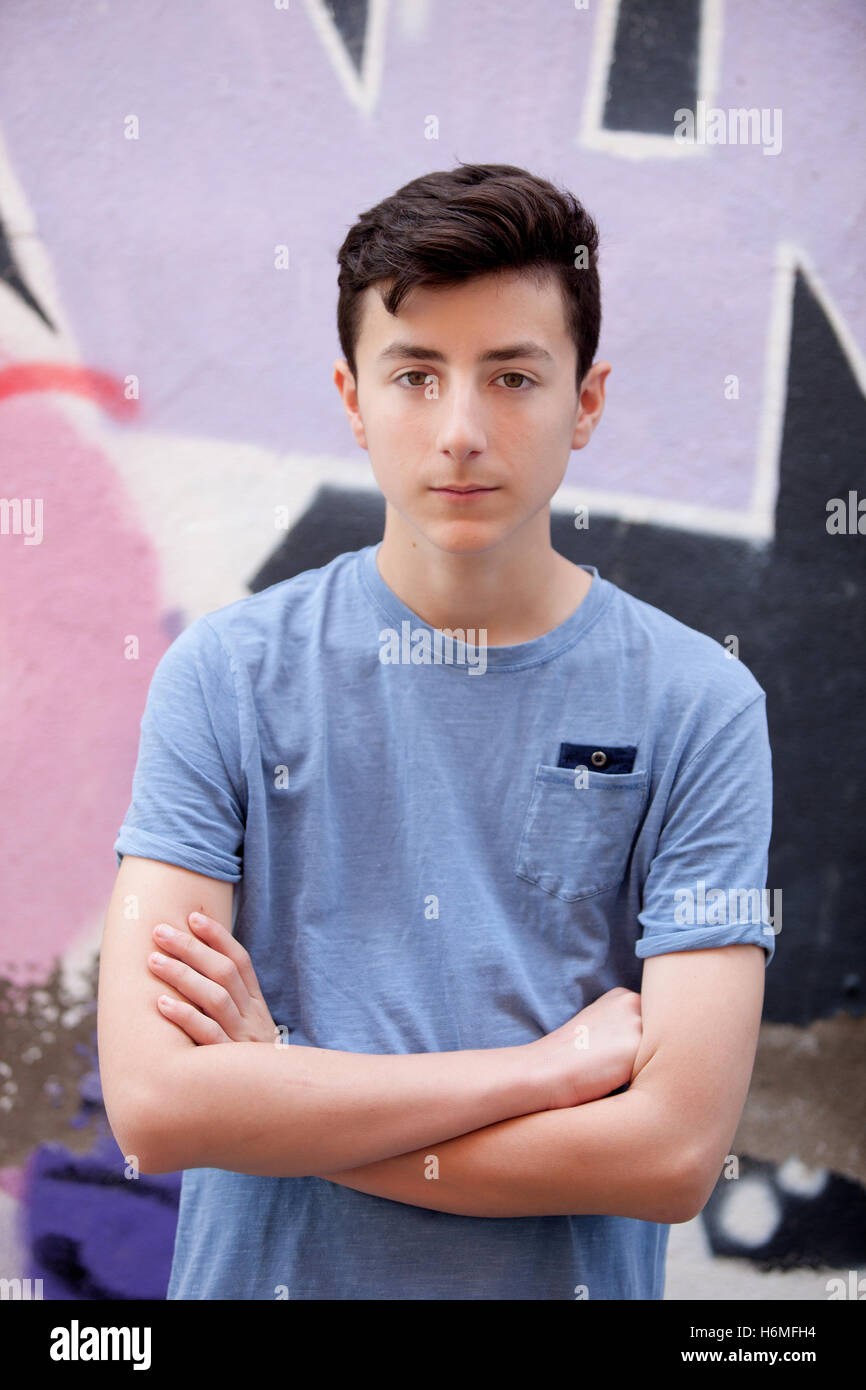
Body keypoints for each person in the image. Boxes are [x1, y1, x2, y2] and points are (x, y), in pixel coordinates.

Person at [98, 162, 775, 1300]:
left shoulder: (696, 705)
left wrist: (280, 1096)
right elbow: (161, 1109)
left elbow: (666, 1156)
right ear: (352, 398)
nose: (460, 429)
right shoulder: (223, 677)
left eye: (512, 376)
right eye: (415, 375)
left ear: (587, 400)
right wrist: (545, 1070)